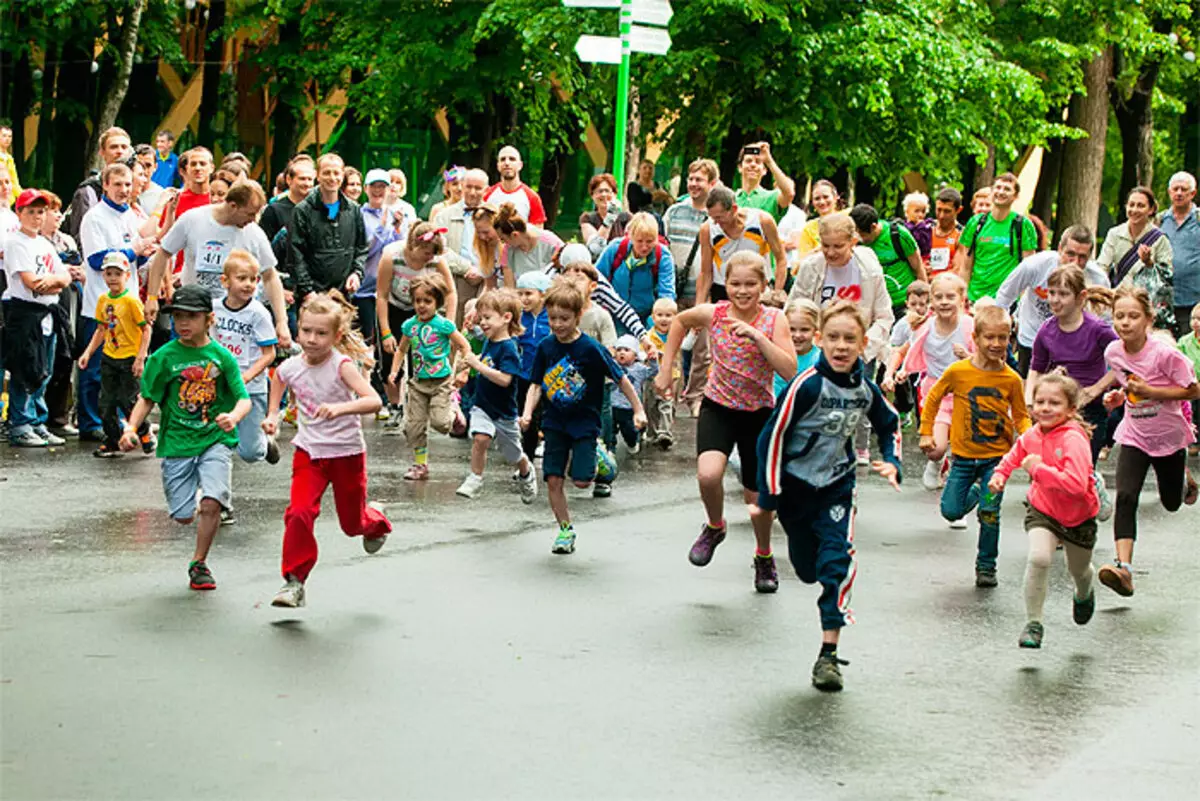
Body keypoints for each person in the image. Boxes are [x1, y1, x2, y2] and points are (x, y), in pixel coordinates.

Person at [757, 300, 902, 691]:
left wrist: (892, 460)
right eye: (833, 338)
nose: (840, 346)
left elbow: (890, 423)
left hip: (837, 487)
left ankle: (828, 656)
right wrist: (770, 496)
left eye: (849, 339)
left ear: (862, 344)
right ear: (820, 340)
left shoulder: (864, 389)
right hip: (795, 488)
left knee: (836, 566)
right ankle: (807, 557)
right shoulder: (807, 386)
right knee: (808, 569)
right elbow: (772, 436)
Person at [654, 252, 797, 593]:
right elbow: (679, 322)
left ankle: (764, 555)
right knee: (708, 474)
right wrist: (666, 366)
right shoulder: (714, 313)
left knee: (756, 502)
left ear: (763, 286)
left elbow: (790, 370)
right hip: (718, 406)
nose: (742, 290)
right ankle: (715, 526)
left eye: (751, 284)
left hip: (758, 413)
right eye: (735, 283)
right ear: (725, 284)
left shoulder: (774, 319)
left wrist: (758, 337)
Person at [263, 291, 392, 609]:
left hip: (346, 454)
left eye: (321, 333)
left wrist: (340, 409)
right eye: (306, 331)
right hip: (309, 453)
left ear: (336, 336)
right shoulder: (292, 366)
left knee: (352, 526)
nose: (312, 339)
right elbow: (278, 379)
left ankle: (375, 520)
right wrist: (271, 417)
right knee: (299, 512)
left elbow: (373, 401)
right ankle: (294, 582)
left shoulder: (342, 366)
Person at [118, 284, 251, 591]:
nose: (183, 324)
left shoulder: (221, 358)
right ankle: (195, 502)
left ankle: (199, 563)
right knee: (182, 517)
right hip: (177, 442)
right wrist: (129, 428)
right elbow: (147, 397)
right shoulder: (163, 358)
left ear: (209, 319)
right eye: (178, 316)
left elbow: (243, 399)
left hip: (214, 439)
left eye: (191, 316)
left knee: (211, 502)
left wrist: (233, 417)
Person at [520, 280, 646, 555]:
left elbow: (620, 377)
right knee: (553, 478)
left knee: (581, 481)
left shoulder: (590, 348)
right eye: (552, 318)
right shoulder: (545, 347)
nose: (557, 324)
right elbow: (536, 384)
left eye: (564, 319)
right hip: (554, 422)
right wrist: (528, 413)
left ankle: (603, 459)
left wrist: (638, 409)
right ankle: (565, 530)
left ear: (578, 317)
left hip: (584, 422)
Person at [1096, 286, 1200, 598]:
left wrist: (1153, 393)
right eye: (1120, 316)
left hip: (1168, 436)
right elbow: (1129, 386)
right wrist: (1118, 397)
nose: (1125, 322)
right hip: (1135, 434)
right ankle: (1123, 569)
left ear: (1148, 320)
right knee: (1126, 496)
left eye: (1133, 316)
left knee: (1171, 502)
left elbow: (1193, 390)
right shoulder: (1113, 352)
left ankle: (1183, 480)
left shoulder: (1165, 354)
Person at [919, 303, 1031, 587]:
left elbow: (1021, 416)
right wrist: (925, 432)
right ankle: (978, 491)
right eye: (989, 337)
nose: (996, 344)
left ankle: (986, 566)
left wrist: (1030, 445)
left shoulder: (1011, 380)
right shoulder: (958, 372)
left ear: (1010, 339)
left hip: (997, 461)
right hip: (964, 457)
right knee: (951, 510)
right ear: (976, 339)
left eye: (1003, 338)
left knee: (990, 514)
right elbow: (933, 398)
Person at [987, 374, 1099, 649]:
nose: (1045, 408)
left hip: (1078, 515)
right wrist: (999, 476)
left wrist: (1038, 469)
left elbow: (1075, 485)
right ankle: (1033, 623)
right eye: (1040, 402)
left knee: (1079, 569)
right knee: (1038, 558)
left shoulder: (1074, 439)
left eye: (1054, 403)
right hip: (1043, 510)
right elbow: (1013, 456)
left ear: (1071, 409)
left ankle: (1084, 592)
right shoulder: (1031, 434)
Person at [789, 213, 895, 460]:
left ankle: (853, 451)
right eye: (826, 246)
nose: (831, 252)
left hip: (858, 347)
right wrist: (803, 337)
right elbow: (796, 306)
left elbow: (884, 316)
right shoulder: (811, 268)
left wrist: (864, 347)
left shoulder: (869, 270)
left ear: (853, 242)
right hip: (820, 347)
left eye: (838, 246)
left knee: (851, 406)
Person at [144, 180, 291, 348]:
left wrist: (282, 322)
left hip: (235, 320)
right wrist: (152, 297)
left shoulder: (254, 233)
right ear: (233, 205)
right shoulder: (193, 219)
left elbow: (270, 275)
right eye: (250, 214)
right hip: (194, 311)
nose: (254, 219)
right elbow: (163, 254)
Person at [78, 163, 154, 441]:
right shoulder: (95, 218)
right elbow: (97, 260)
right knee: (97, 367)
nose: (124, 190)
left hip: (129, 305)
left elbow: (136, 258)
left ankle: (119, 420)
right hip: (101, 305)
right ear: (106, 185)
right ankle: (90, 421)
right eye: (118, 185)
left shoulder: (130, 216)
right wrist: (133, 250)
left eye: (127, 185)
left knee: (123, 371)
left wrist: (144, 253)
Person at [887, 273, 974, 491]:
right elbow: (902, 351)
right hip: (937, 392)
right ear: (931, 302)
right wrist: (895, 372)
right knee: (936, 447)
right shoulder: (925, 327)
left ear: (961, 299)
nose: (944, 301)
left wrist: (970, 358)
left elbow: (990, 359)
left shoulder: (969, 326)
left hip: (968, 392)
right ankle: (936, 463)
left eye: (950, 296)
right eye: (939, 297)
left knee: (965, 446)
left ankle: (960, 477)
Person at [1026, 265, 1118, 467]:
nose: (1055, 300)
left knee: (1081, 468)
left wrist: (1095, 389)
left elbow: (1125, 361)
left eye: (1063, 294)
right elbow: (1036, 368)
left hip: (1089, 409)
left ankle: (1093, 489)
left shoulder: (1098, 330)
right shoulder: (1046, 330)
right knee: (1053, 466)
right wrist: (1031, 400)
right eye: (1051, 293)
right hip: (1057, 407)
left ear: (1080, 297)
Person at [2, 189, 73, 447]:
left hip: (48, 312)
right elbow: (31, 282)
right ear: (19, 213)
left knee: (45, 368)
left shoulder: (44, 244)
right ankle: (20, 423)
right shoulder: (15, 243)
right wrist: (54, 282)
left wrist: (54, 281)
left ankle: (36, 420)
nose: (36, 217)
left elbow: (64, 277)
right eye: (30, 211)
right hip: (25, 312)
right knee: (25, 368)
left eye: (40, 212)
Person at [454, 288, 537, 502]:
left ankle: (526, 471)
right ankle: (475, 477)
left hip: (504, 412)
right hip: (482, 405)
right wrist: (472, 362)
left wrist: (477, 365)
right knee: (480, 438)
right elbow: (487, 358)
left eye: (487, 317)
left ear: (506, 318)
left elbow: (505, 379)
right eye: (481, 318)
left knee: (513, 454)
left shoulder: (509, 348)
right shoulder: (491, 341)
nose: (483, 323)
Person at [995, 225, 1110, 374]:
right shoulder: (1035, 266)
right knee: (1030, 387)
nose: (1075, 262)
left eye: (1082, 257)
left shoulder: (1097, 278)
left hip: (1073, 344)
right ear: (1059, 249)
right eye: (1070, 254)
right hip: (1032, 337)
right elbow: (1004, 297)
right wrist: (1001, 337)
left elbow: (1107, 320)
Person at [376, 222, 458, 425]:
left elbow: (451, 292)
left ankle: (418, 405)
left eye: (433, 254)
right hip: (394, 306)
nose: (430, 258)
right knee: (390, 357)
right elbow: (382, 295)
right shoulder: (391, 256)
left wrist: (448, 323)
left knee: (422, 355)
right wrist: (386, 331)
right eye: (427, 253)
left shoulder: (436, 261)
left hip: (422, 309)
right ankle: (394, 405)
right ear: (414, 246)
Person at [388, 275, 469, 480]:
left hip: (441, 382)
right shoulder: (410, 326)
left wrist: (463, 368)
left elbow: (464, 344)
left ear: (437, 302)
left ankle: (454, 414)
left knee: (441, 425)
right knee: (413, 427)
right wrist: (394, 371)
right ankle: (420, 465)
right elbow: (401, 349)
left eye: (427, 301)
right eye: (418, 301)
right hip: (418, 383)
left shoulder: (444, 325)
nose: (422, 306)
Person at [76, 251, 153, 457]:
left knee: (128, 400)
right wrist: (88, 353)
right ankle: (112, 440)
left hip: (129, 356)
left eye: (117, 274)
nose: (112, 278)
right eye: (109, 273)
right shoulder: (103, 300)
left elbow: (146, 329)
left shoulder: (131, 301)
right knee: (106, 403)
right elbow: (101, 329)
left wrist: (140, 357)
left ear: (127, 275)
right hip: (110, 356)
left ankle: (144, 431)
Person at [210, 249, 280, 465]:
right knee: (218, 441)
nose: (249, 284)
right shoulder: (214, 310)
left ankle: (265, 443)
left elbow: (270, 354)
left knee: (250, 454)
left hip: (251, 387)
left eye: (253, 279)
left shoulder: (258, 313)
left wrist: (246, 377)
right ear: (225, 281)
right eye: (241, 279)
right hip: (221, 385)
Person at [289, 153, 369, 303]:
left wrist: (357, 273)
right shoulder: (303, 211)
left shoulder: (354, 210)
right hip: (313, 296)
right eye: (326, 173)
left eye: (336, 173)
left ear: (342, 175)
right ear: (317, 176)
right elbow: (296, 254)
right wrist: (307, 291)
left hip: (344, 295)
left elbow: (362, 247)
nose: (332, 178)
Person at [38, 191, 86, 438]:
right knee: (44, 359)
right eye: (51, 211)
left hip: (71, 299)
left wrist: (77, 271)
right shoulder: (34, 241)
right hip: (46, 303)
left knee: (66, 354)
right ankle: (39, 417)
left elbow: (80, 264)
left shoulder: (66, 240)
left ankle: (59, 415)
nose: (57, 215)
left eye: (58, 210)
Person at [1097, 186, 1175, 330]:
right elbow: (1102, 266)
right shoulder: (1114, 234)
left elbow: (1167, 275)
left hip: (1146, 305)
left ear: (1151, 209)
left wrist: (1149, 263)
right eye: (1131, 205)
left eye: (1140, 205)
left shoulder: (1160, 239)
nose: (1134, 210)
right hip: (1117, 300)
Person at [354, 169, 405, 380]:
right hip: (366, 289)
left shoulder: (397, 213)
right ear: (366, 189)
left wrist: (399, 228)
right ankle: (365, 388)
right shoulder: (359, 215)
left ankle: (388, 390)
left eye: (382, 186)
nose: (378, 191)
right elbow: (367, 250)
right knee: (367, 340)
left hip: (391, 289)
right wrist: (384, 226)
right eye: (374, 186)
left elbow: (399, 250)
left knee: (390, 339)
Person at [955, 172, 1036, 303]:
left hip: (1007, 300)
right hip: (975, 298)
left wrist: (1024, 304)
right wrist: (961, 296)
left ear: (1015, 196)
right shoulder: (976, 223)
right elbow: (965, 266)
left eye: (1007, 189)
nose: (1001, 192)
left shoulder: (1022, 225)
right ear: (992, 192)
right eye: (998, 187)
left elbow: (1030, 269)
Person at [697, 185, 788, 300]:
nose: (716, 223)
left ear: (734, 209)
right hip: (723, 290)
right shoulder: (707, 229)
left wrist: (776, 293)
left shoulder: (762, 221)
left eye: (720, 218)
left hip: (758, 289)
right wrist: (699, 304)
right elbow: (705, 273)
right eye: (713, 218)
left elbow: (781, 259)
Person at [595, 211, 677, 325]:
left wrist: (662, 319)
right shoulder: (615, 248)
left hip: (647, 316)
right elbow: (596, 277)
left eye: (650, 241)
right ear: (630, 237)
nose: (644, 247)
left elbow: (667, 294)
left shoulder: (663, 256)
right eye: (639, 241)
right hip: (615, 314)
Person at [849, 203, 927, 315]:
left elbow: (918, 267)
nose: (859, 238)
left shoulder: (898, 234)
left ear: (873, 227)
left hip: (903, 301)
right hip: (876, 304)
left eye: (862, 234)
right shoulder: (856, 242)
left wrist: (925, 299)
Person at [435, 168, 491, 322]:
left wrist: (483, 270)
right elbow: (439, 249)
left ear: (486, 189)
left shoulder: (494, 216)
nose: (472, 192)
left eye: (478, 188)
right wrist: (466, 268)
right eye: (469, 187)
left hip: (487, 282)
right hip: (454, 279)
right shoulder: (443, 216)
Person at [65, 126, 132, 242]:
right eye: (113, 147)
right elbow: (82, 235)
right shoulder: (89, 190)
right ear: (102, 152)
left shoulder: (135, 189)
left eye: (124, 147)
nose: (119, 151)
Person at [514, 271, 552, 463]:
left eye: (528, 294)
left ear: (542, 294)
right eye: (520, 294)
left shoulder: (552, 316)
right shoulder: (520, 317)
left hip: (550, 375)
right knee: (526, 416)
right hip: (525, 374)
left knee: (546, 413)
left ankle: (546, 443)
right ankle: (526, 459)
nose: (523, 299)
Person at [1160, 172, 1199, 337]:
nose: (1179, 193)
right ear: (1169, 192)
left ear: (1193, 193)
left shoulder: (1198, 219)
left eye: (1184, 189)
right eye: (1175, 189)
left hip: (1194, 300)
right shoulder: (1159, 221)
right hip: (1165, 300)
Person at [610, 334, 656, 453]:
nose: (622, 353)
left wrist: (653, 361)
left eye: (626, 350)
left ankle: (633, 440)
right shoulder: (613, 366)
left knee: (629, 430)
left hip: (629, 407)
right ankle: (610, 447)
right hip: (612, 405)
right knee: (609, 429)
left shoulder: (639, 368)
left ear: (635, 355)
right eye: (619, 350)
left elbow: (653, 372)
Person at [495, 202, 563, 282]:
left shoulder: (550, 242)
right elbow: (509, 284)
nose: (503, 243)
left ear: (515, 235)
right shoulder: (508, 250)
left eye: (503, 239)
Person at [644, 296, 679, 447]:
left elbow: (687, 346)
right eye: (660, 315)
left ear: (675, 317)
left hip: (672, 376)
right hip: (652, 376)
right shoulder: (648, 337)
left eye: (668, 315)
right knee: (650, 406)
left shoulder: (677, 334)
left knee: (667, 403)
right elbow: (640, 354)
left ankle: (665, 433)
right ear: (653, 317)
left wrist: (693, 334)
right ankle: (652, 432)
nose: (664, 319)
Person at [484, 146, 546, 225]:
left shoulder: (532, 197)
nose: (507, 163)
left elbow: (538, 232)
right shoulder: (487, 195)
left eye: (512, 159)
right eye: (503, 159)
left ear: (520, 165)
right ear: (498, 166)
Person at [580, 173, 632, 258]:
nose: (604, 194)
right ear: (592, 196)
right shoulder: (587, 218)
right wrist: (610, 218)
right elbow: (595, 249)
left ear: (614, 194)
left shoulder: (627, 217)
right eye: (599, 191)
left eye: (607, 191)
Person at [797, 179, 842, 258]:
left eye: (826, 197)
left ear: (836, 197)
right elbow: (802, 260)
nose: (822, 202)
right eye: (817, 198)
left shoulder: (848, 217)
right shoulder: (809, 228)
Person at [928, 188, 964, 277]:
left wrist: (933, 279)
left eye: (947, 211)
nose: (941, 216)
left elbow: (958, 270)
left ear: (958, 210)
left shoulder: (961, 234)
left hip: (948, 285)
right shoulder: (926, 229)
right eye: (939, 210)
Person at [902, 192, 933, 262]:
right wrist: (920, 227)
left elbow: (927, 245)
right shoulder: (905, 228)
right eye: (916, 211)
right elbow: (918, 242)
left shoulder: (927, 225)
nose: (920, 214)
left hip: (927, 259)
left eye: (923, 211)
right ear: (907, 212)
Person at [0, 123, 20, 204]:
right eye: (4, 136)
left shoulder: (9, 159)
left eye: (9, 136)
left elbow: (14, 183)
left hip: (8, 202)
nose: (7, 139)